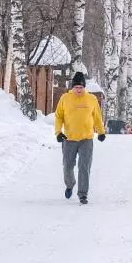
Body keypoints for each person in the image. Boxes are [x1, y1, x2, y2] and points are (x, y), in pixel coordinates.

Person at [54, 72, 106, 204]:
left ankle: (83, 194)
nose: (78, 90)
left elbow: (97, 117)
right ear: (72, 87)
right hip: (69, 138)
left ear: (84, 87)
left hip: (86, 139)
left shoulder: (91, 99)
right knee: (67, 166)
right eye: (76, 87)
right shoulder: (65, 98)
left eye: (81, 87)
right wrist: (58, 132)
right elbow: (59, 116)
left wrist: (101, 132)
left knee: (84, 166)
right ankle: (70, 184)